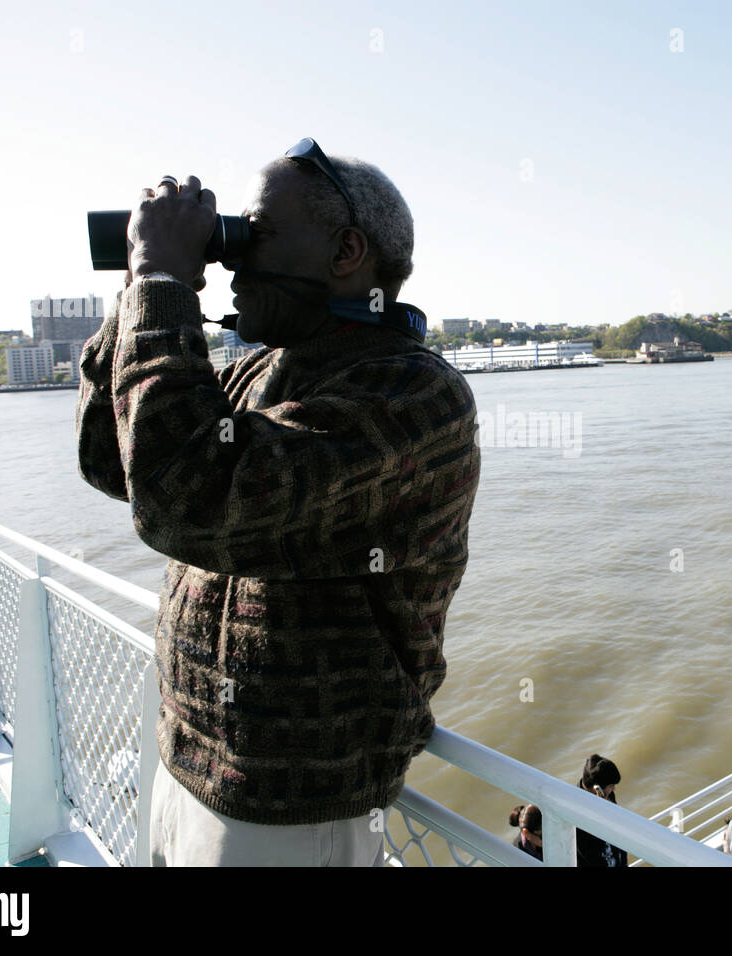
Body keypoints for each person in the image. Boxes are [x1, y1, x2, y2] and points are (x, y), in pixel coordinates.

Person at [76, 140, 481, 865]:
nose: (234, 257)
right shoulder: (259, 369)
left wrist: (164, 276)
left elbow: (186, 498)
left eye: (256, 233)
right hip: (184, 763)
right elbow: (116, 460)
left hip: (289, 809)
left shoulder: (413, 396)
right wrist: (141, 290)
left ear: (346, 251)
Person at [576, 755, 628, 867]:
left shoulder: (607, 795)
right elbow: (590, 856)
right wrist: (600, 812)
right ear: (597, 789)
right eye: (611, 786)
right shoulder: (577, 813)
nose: (614, 789)